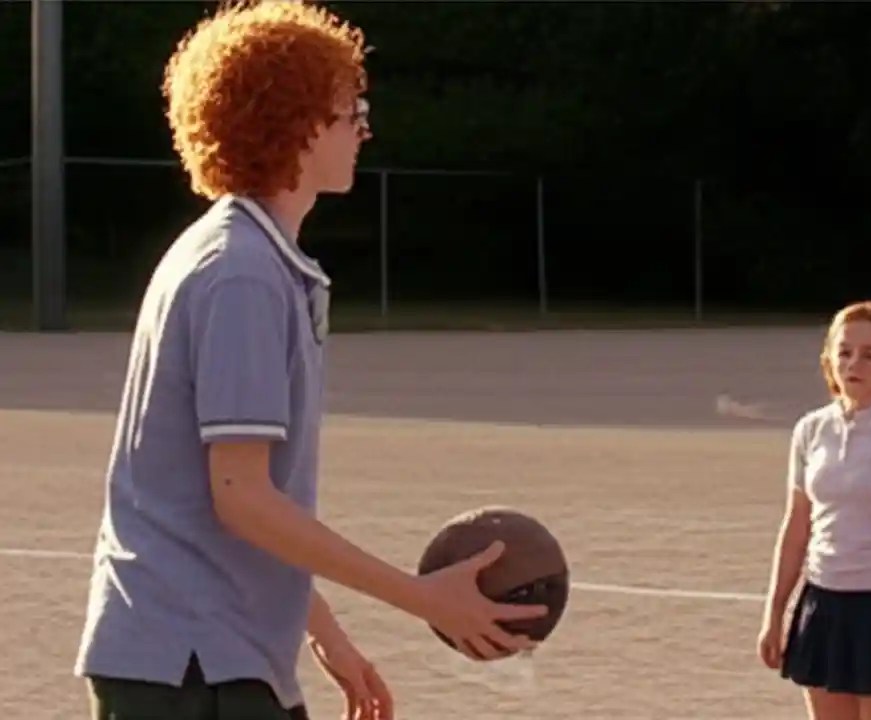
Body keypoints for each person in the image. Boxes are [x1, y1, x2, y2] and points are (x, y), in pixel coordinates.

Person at [73, 3, 545, 719]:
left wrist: (325, 636)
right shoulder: (241, 274)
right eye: (349, 107)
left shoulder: (248, 256)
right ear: (293, 123)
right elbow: (242, 497)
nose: (364, 126)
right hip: (187, 669)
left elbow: (235, 508)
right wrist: (421, 597)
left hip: (210, 660)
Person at [757, 300, 871, 720]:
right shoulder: (811, 430)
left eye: (869, 354)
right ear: (828, 358)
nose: (853, 363)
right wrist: (774, 615)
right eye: (844, 352)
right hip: (822, 605)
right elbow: (796, 529)